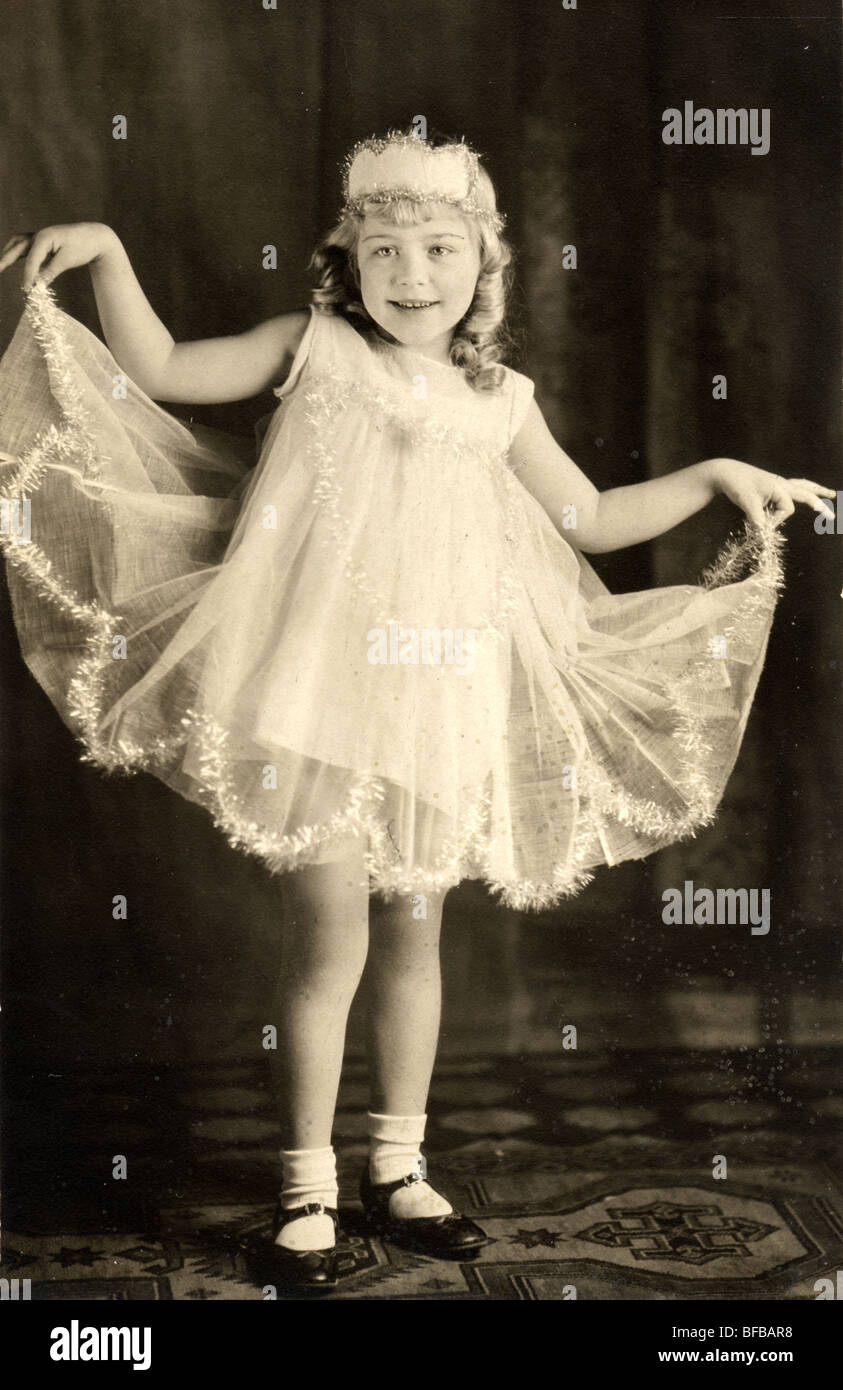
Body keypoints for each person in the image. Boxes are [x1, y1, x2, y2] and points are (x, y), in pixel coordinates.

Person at [0, 129, 832, 1292]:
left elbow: (586, 516)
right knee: (328, 938)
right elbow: (167, 370)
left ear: (484, 265)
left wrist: (715, 475)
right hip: (320, 694)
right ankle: (305, 1187)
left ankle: (399, 1163)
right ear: (350, 259)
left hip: (435, 695)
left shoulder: (499, 401)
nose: (414, 273)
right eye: (387, 248)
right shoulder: (316, 348)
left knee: (417, 935)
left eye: (442, 249)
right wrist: (107, 255)